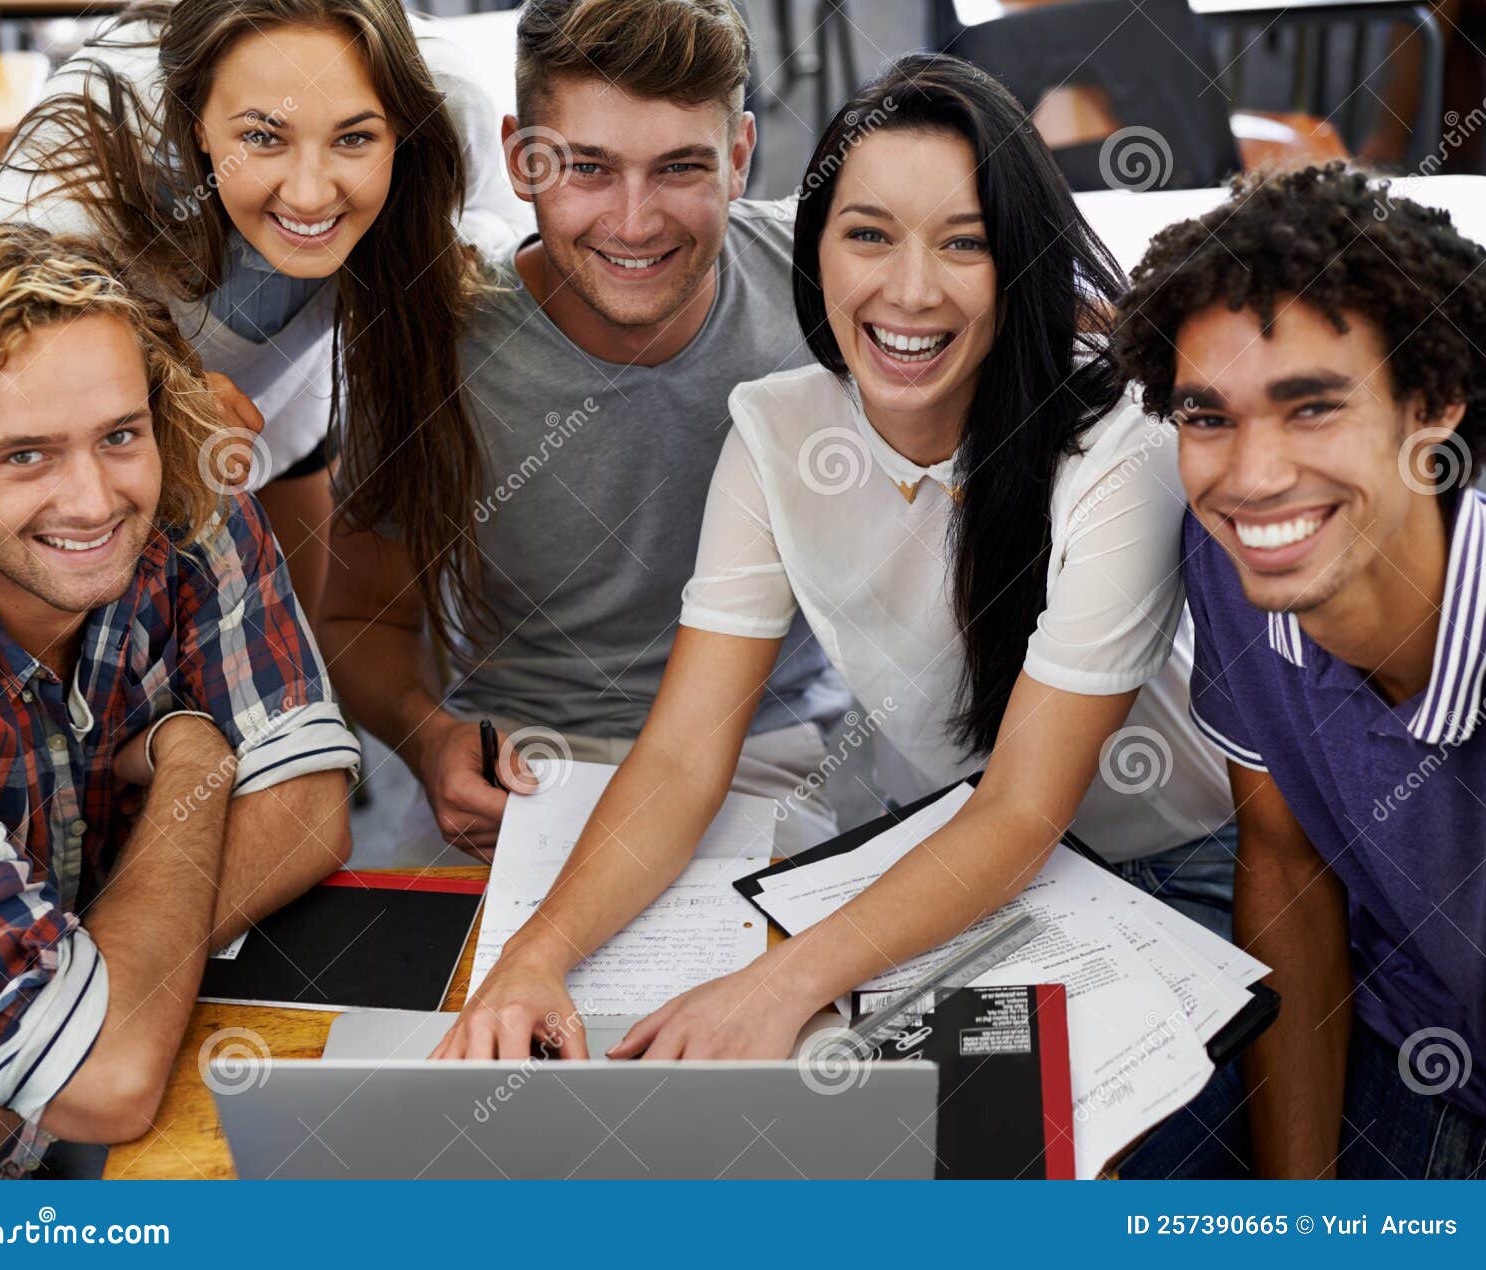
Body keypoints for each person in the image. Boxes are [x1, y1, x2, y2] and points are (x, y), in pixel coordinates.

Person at [431, 53, 1237, 1064]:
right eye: (868, 235)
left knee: (1014, 1142)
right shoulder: (778, 432)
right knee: (807, 1120)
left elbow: (1024, 806)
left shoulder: (1120, 446)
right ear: (814, 252)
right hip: (935, 856)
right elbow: (681, 758)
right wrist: (534, 957)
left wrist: (774, 986)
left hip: (1160, 868)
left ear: (1020, 260)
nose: (910, 289)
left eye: (965, 243)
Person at [0, 223, 360, 1180]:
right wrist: (198, 757)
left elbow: (307, 815)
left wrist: (28, 1051)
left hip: (26, 1109)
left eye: (119, 436)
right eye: (27, 456)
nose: (96, 500)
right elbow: (107, 1081)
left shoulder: (189, 502)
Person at [322, 0, 846, 862]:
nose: (634, 223)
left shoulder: (830, 289)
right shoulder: (430, 345)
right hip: (516, 761)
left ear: (739, 158)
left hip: (760, 749)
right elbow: (361, 614)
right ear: (521, 160)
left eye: (680, 167)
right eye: (589, 169)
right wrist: (429, 740)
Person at [1114, 163, 1486, 1179]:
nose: (1254, 476)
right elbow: (1286, 864)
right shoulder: (1234, 569)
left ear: (1433, 403)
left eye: (1312, 407)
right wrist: (1301, 1222)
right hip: (1419, 1038)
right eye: (1208, 416)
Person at [0, 0, 521, 625]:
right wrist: (160, 392)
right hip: (112, 446)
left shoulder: (442, 94)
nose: (310, 196)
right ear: (197, 121)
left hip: (287, 404)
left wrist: (457, 267)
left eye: (355, 137)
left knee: (289, 652)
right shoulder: (86, 158)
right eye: (262, 136)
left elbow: (500, 232)